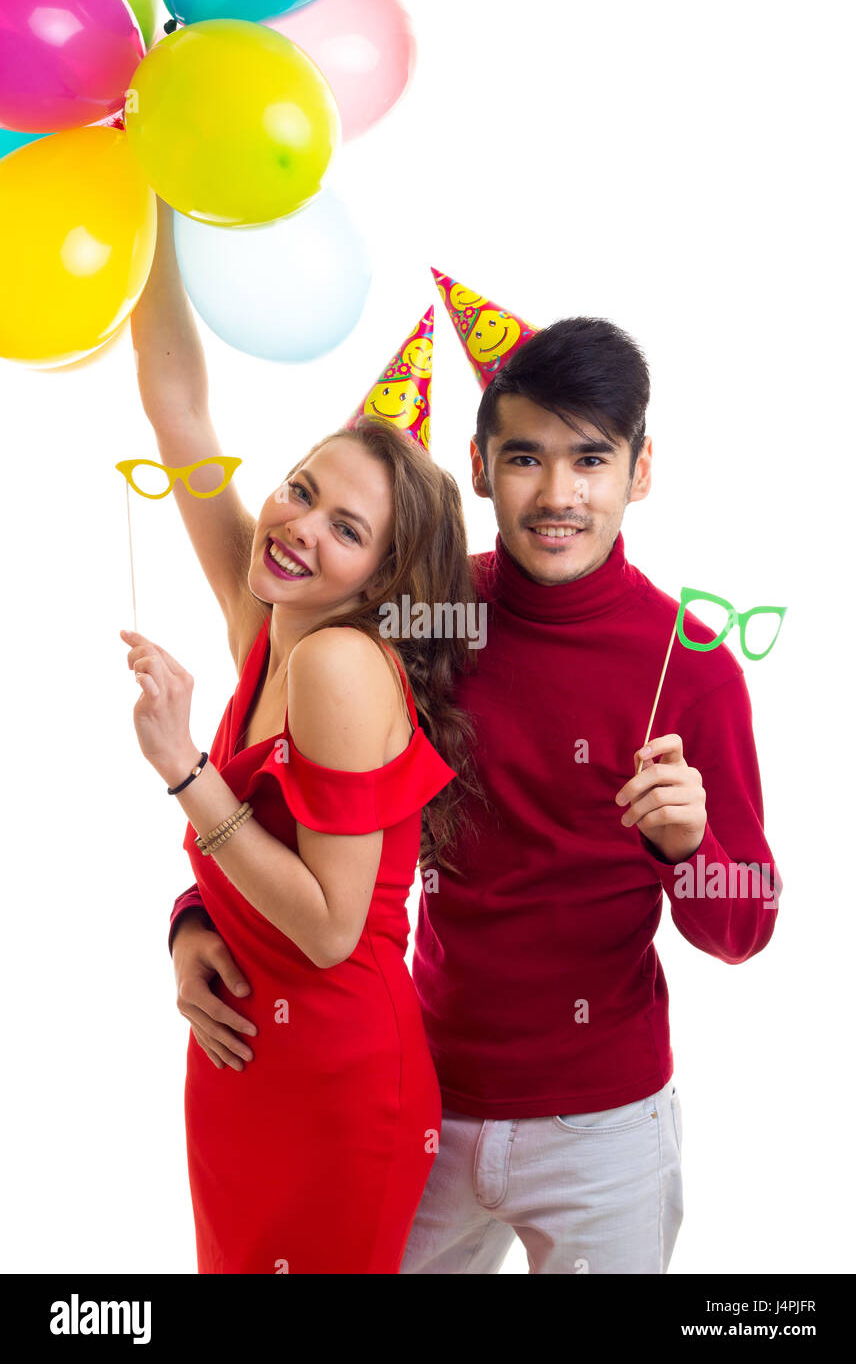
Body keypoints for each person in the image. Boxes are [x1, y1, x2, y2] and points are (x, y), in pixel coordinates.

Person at [168, 307, 781, 1275]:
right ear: (480, 464)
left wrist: (688, 850)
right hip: (424, 1095)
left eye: (589, 460)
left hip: (602, 1131)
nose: (557, 493)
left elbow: (744, 924)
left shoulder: (690, 667)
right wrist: (197, 911)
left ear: (641, 470)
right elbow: (319, 781)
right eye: (525, 457)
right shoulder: (430, 616)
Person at [125, 201, 484, 1274]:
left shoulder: (335, 664)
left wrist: (184, 767)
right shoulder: (266, 623)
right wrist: (143, 200)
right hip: (245, 1061)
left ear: (380, 582)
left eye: (346, 529)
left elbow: (330, 929)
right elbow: (180, 410)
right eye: (300, 488)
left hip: (333, 1083)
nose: (296, 524)